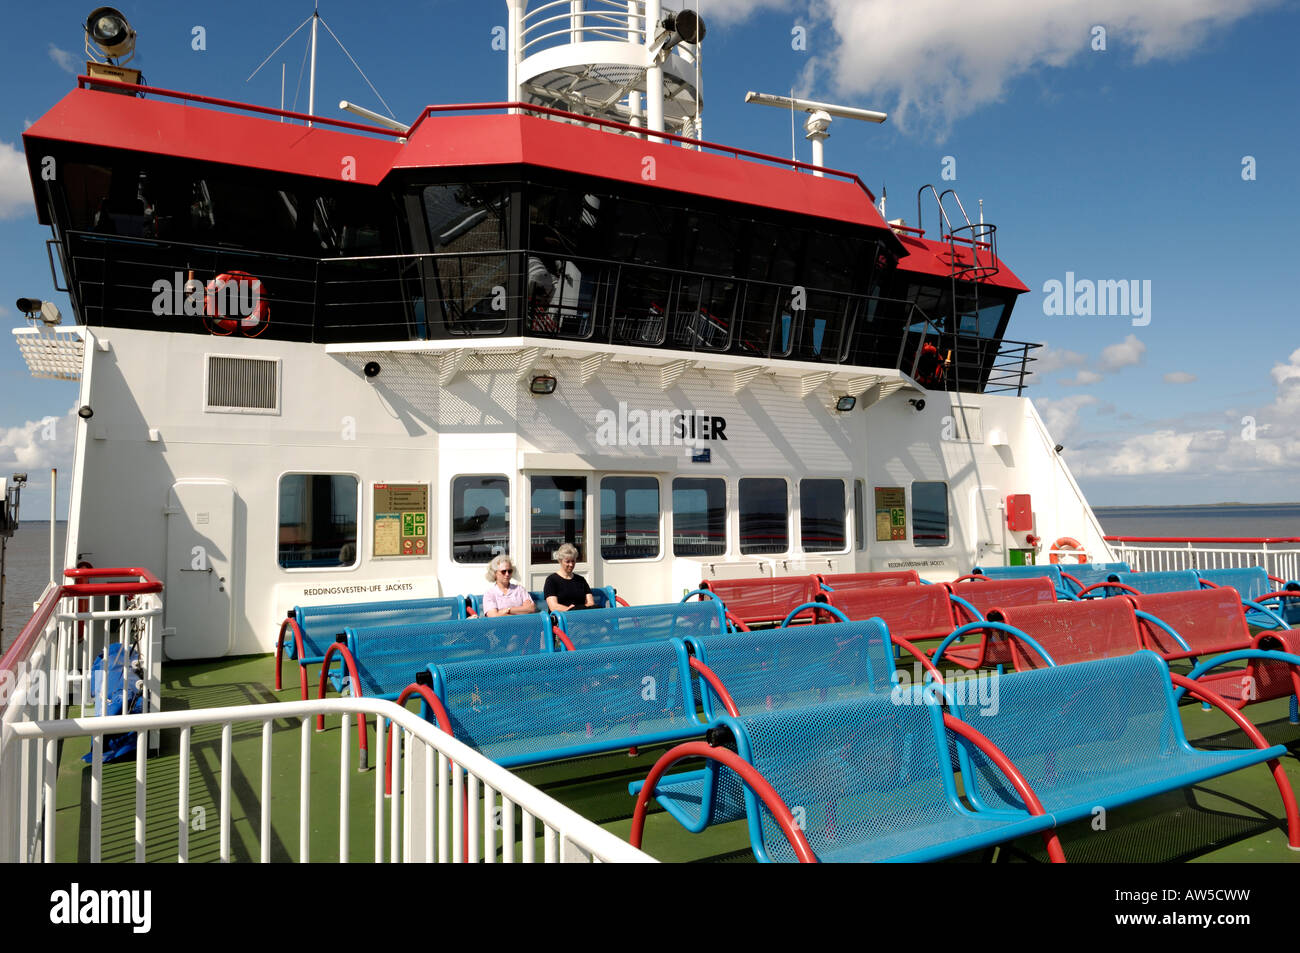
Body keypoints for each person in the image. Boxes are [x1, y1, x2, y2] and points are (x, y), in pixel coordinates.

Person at [544, 543, 594, 612]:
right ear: (560, 561)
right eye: (567, 561)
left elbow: (591, 603)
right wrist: (571, 610)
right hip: (562, 618)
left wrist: (577, 610)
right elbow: (553, 606)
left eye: (573, 561)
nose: (571, 564)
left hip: (581, 617)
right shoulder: (551, 580)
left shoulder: (581, 580)